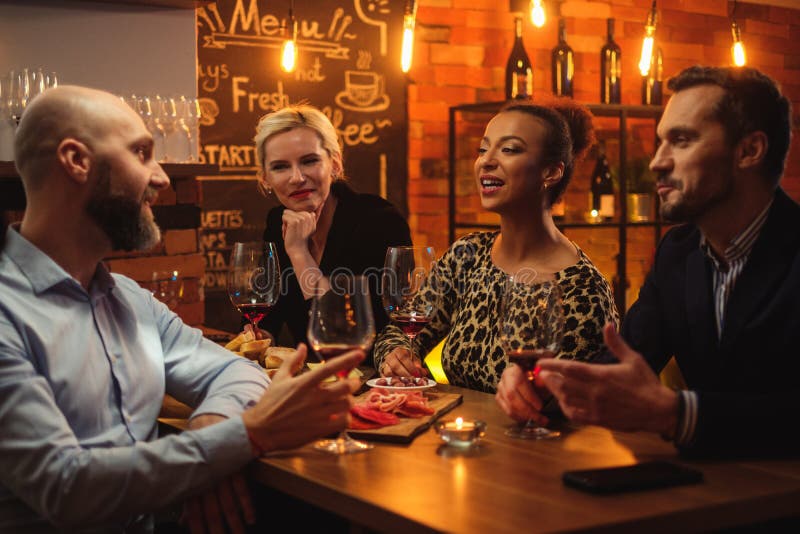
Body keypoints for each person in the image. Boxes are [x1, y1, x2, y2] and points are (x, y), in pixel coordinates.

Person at [0, 85, 364, 533]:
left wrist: (207, 443)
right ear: (77, 162)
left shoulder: (130, 301)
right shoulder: (8, 315)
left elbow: (236, 370)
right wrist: (243, 437)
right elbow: (67, 488)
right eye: (141, 153)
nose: (162, 178)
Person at [499, 66, 799, 458]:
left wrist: (677, 414)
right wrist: (546, 385)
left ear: (749, 151)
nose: (657, 161)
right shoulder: (679, 252)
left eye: (681, 140)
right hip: (706, 492)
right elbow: (625, 358)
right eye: (661, 142)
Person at [374, 99, 619, 393]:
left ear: (551, 172)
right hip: (457, 434)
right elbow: (397, 331)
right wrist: (395, 356)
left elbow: (575, 403)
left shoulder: (583, 289)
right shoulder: (467, 255)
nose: (486, 161)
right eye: (483, 149)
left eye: (509, 149)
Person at [252, 104, 412, 364]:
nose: (296, 177)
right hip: (312, 382)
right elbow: (267, 314)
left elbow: (341, 332)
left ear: (335, 163)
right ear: (265, 178)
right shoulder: (276, 222)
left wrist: (299, 252)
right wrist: (254, 337)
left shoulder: (380, 221)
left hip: (378, 380)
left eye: (309, 161)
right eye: (280, 167)